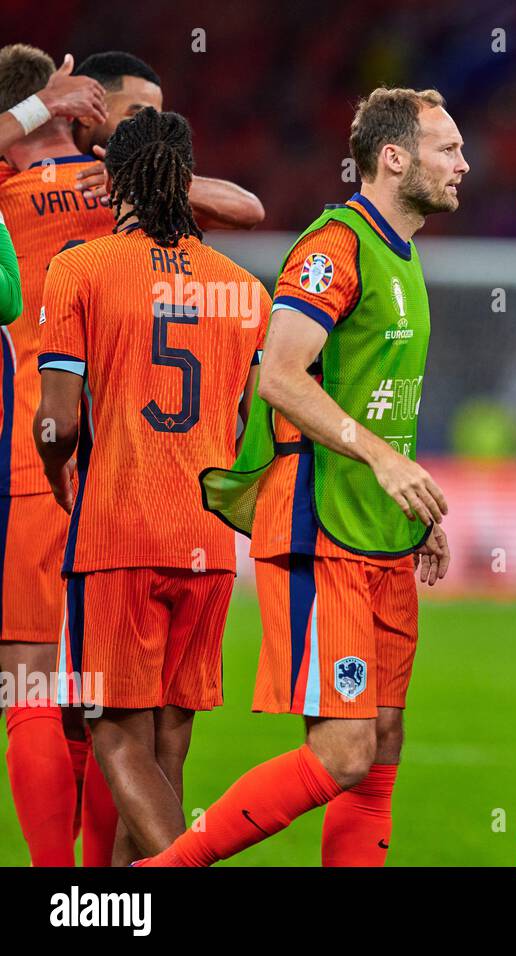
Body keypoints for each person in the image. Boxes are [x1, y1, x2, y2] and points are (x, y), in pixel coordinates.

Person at [144, 86, 461, 866]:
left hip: (379, 530)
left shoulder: (405, 254)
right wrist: (383, 460)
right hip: (321, 526)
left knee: (384, 742)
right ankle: (160, 872)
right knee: (346, 752)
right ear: (394, 158)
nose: (464, 162)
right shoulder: (334, 246)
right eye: (447, 148)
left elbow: (382, 404)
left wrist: (414, 508)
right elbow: (280, 377)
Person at [34, 107, 267, 865]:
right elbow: (257, 426)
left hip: (117, 530)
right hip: (204, 538)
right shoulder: (245, 291)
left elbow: (58, 424)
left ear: (114, 181)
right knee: (169, 743)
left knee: (111, 732)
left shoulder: (81, 267)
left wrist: (56, 473)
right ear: (188, 182)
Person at [0, 42, 117, 868]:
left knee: (31, 685)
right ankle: (111, 885)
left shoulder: (4, 199)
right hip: (129, 467)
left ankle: (53, 886)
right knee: (103, 697)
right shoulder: (122, 192)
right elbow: (239, 208)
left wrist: (42, 103)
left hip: (37, 454)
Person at [69, 51, 264, 230]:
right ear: (87, 113)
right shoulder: (43, 171)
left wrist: (157, 180)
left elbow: (250, 211)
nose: (149, 131)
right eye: (136, 115)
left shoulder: (150, 194)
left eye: (155, 120)